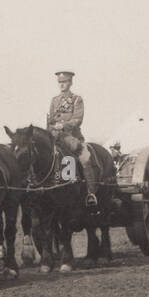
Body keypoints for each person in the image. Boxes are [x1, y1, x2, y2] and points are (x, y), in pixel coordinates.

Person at [47, 70, 98, 206]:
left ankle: (91, 193)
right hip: (56, 137)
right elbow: (51, 120)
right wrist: (52, 128)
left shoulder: (77, 99)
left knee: (85, 158)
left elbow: (77, 119)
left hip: (73, 137)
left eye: (64, 82)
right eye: (60, 82)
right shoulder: (54, 100)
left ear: (70, 83)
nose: (62, 85)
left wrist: (63, 125)